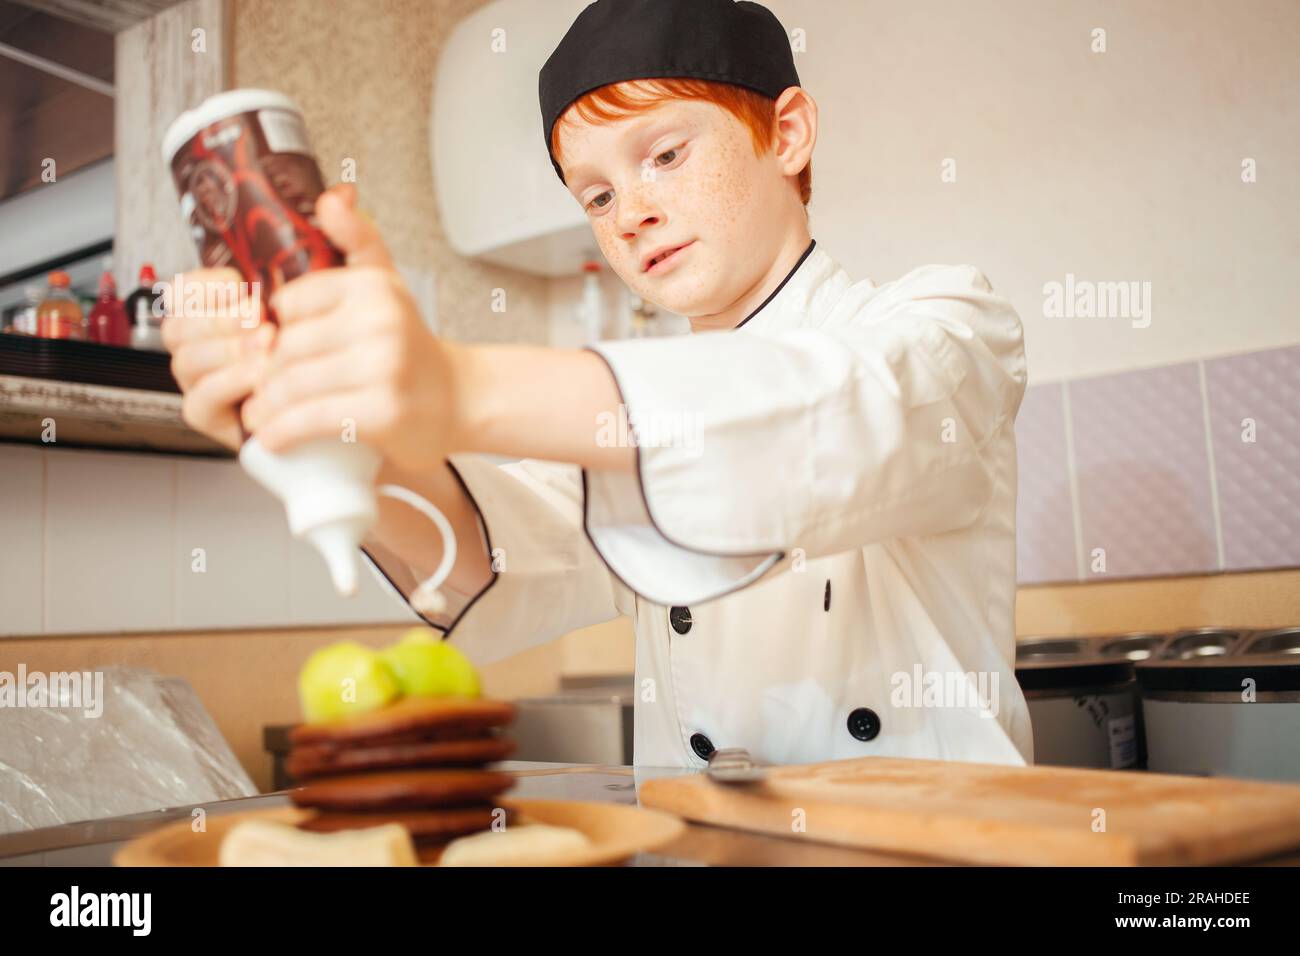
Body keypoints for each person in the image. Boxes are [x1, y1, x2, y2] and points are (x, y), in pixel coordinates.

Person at [162, 0, 1033, 769]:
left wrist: (450, 383)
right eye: (597, 195)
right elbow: (505, 559)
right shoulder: (631, 414)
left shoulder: (952, 322)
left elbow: (832, 416)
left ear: (788, 132)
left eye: (664, 154)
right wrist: (331, 437)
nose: (632, 214)